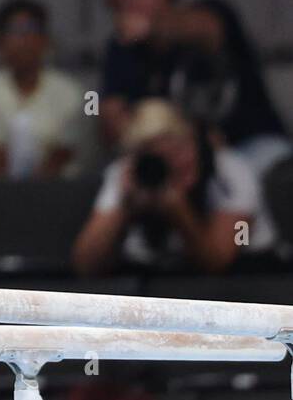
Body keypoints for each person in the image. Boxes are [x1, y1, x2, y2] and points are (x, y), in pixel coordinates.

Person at [98, 0, 289, 177]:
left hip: (252, 146)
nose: (128, 4)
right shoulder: (121, 48)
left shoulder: (213, 10)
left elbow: (205, 30)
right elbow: (114, 124)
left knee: (241, 179)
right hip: (180, 161)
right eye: (116, 0)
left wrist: (151, 29)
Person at [71, 99, 277, 275]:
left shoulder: (231, 171)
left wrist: (178, 210)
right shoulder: (127, 175)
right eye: (162, 159)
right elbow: (86, 265)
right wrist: (125, 207)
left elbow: (216, 264)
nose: (176, 165)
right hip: (153, 285)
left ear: (195, 142)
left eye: (180, 150)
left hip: (245, 281)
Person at [0, 0, 87, 180]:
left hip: (61, 193)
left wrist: (36, 193)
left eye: (31, 30)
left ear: (45, 39)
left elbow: (64, 153)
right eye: (14, 31)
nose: (23, 39)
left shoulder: (72, 92)